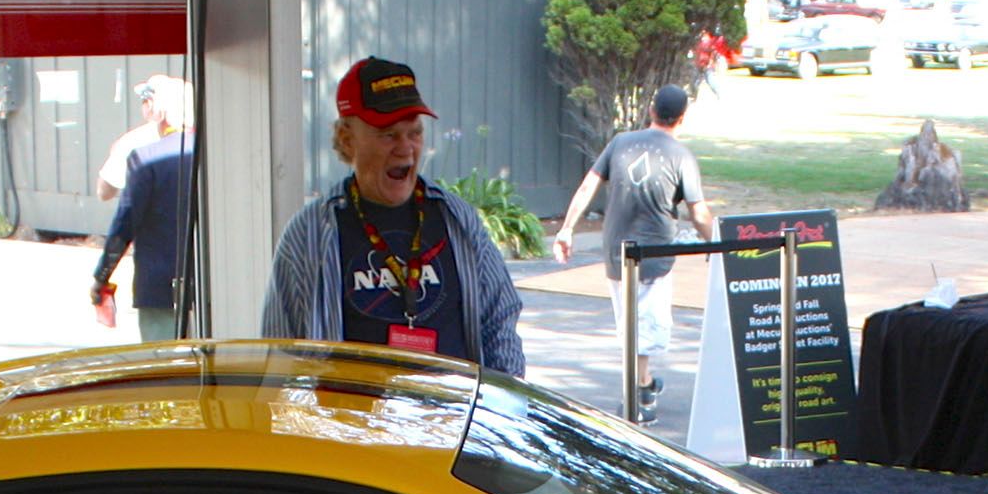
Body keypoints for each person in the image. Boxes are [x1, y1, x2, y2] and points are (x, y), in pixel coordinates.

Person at [261, 57, 525, 376]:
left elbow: (500, 321)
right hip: (354, 423)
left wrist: (501, 407)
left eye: (414, 133)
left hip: (450, 421)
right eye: (388, 135)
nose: (406, 149)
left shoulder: (457, 219)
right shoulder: (310, 234)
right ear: (348, 139)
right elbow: (283, 353)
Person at [553, 83, 711, 414]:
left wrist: (567, 229)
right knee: (647, 323)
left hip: (615, 248)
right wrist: (715, 242)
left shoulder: (620, 143)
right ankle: (639, 392)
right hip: (654, 253)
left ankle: (644, 381)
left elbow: (588, 186)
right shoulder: (681, 156)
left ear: (651, 111)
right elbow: (698, 212)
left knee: (630, 319)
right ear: (681, 119)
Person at [91, 82, 191, 342]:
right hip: (216, 288)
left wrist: (102, 277)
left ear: (158, 111)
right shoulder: (219, 153)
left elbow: (124, 225)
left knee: (165, 367)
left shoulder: (145, 157)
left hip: (160, 289)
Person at [97, 76, 171, 202]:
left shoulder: (134, 141)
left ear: (151, 106)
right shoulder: (208, 135)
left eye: (145, 101)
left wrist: (116, 154)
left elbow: (104, 192)